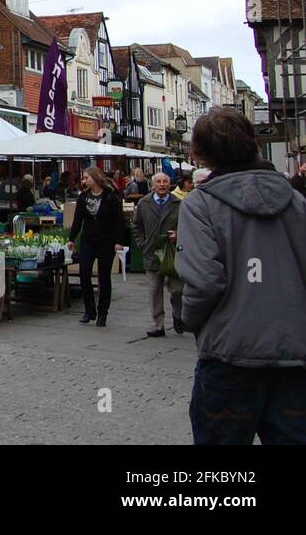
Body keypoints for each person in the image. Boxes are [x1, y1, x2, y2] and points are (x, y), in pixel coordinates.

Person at [178, 108, 306, 444]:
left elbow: (204, 282)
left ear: (202, 154)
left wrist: (192, 321)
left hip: (228, 355)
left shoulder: (200, 206)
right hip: (293, 354)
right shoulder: (296, 203)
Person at [67, 165, 128, 326]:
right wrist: (71, 238)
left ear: (95, 178)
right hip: (88, 239)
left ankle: (102, 313)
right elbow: (78, 219)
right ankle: (89, 310)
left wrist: (119, 241)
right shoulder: (83, 197)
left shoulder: (110, 197)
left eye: (86, 177)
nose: (84, 180)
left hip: (106, 241)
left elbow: (118, 221)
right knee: (84, 273)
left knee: (104, 277)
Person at [133, 171, 184, 337]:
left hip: (172, 252)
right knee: (154, 290)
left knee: (177, 290)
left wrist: (178, 235)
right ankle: (158, 324)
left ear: (169, 185)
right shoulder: (144, 203)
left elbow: (188, 226)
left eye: (165, 182)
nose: (162, 184)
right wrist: (142, 244)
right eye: (159, 182)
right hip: (152, 252)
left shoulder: (178, 203)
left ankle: (178, 315)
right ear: (153, 185)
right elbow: (137, 226)